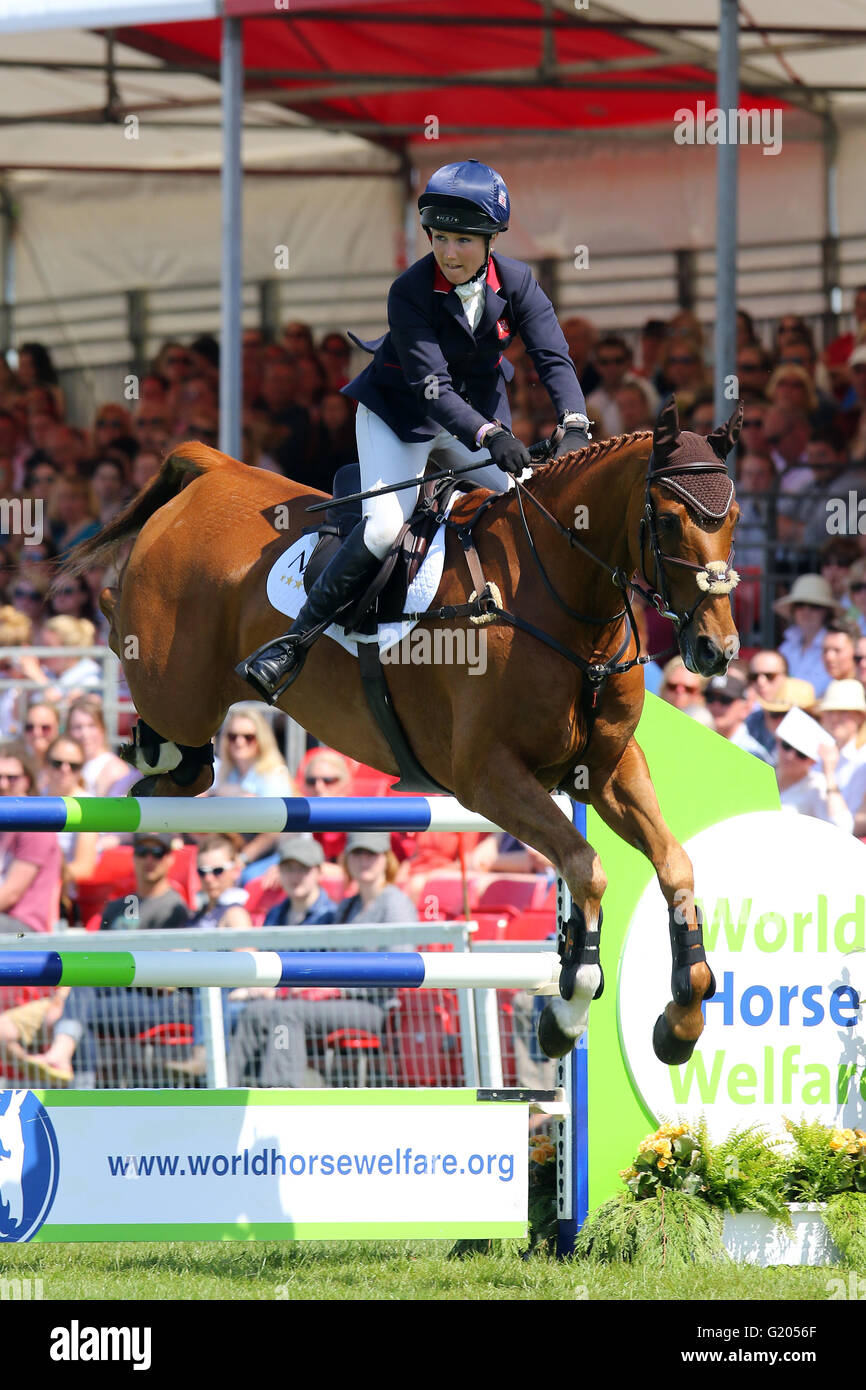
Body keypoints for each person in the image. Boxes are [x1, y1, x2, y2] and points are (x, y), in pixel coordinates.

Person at [237, 158, 591, 702]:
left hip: (474, 415)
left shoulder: (518, 281)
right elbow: (432, 388)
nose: (449, 254)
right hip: (400, 417)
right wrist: (490, 435)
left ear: (493, 238)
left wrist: (574, 423)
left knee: (533, 507)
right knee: (383, 528)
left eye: (464, 241)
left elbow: (554, 359)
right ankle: (293, 642)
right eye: (440, 238)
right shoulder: (408, 290)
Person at [774, 575, 840, 697]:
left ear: (827, 612)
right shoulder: (787, 647)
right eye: (800, 605)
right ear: (793, 610)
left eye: (815, 606)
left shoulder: (836, 647)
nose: (806, 611)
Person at [703, 672, 772, 762]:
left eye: (725, 699)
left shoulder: (753, 754)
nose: (716, 705)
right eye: (710, 697)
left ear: (745, 708)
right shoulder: (699, 742)